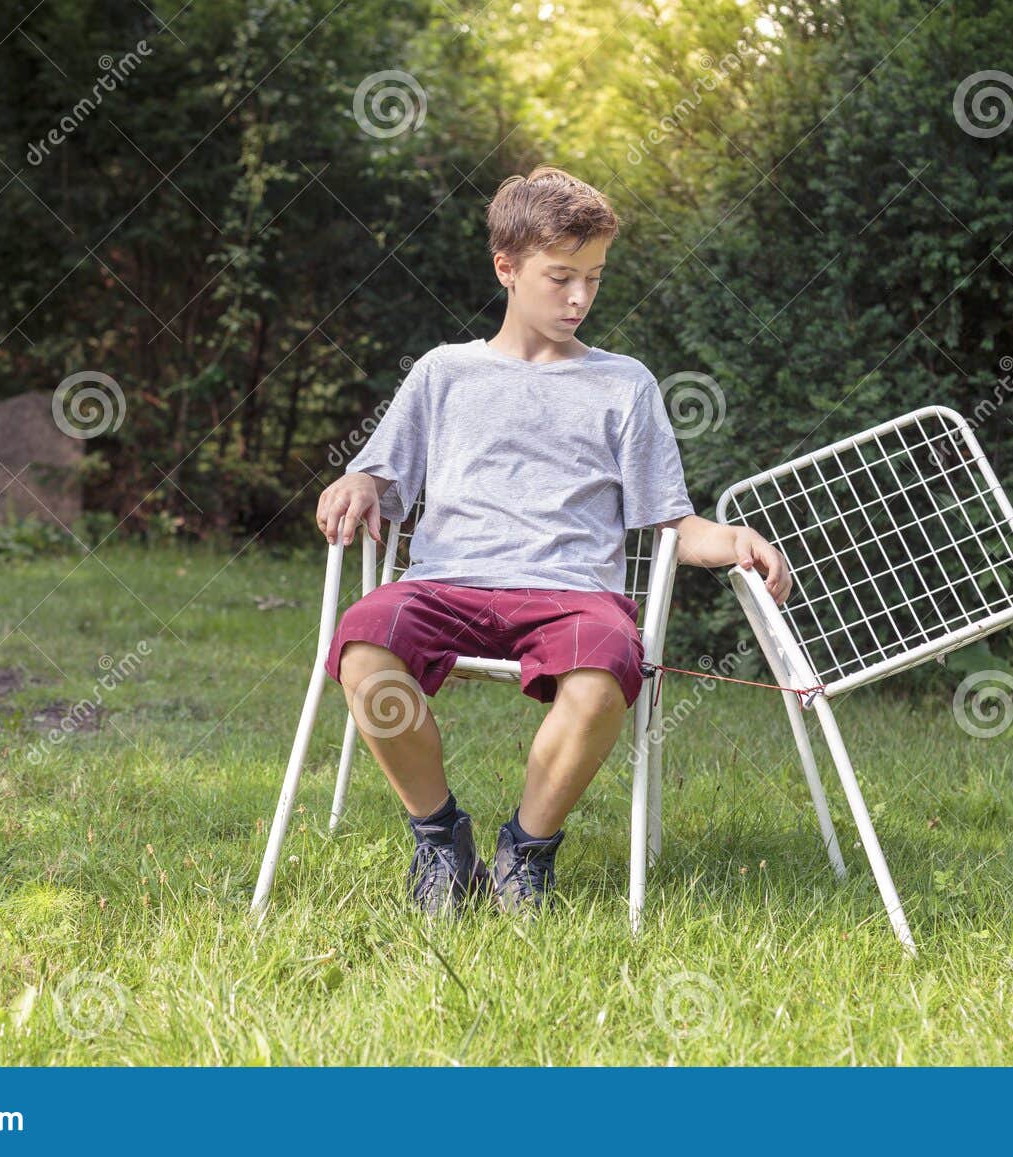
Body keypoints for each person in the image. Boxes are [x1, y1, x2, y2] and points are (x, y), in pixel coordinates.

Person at [315, 164, 792, 918]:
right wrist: (359, 481)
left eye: (594, 279)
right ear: (506, 267)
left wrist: (732, 538)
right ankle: (441, 837)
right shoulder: (445, 372)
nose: (579, 299)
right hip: (448, 583)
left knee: (607, 670)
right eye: (561, 277)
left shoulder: (624, 383)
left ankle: (526, 850)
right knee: (365, 646)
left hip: (572, 594)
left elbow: (672, 520)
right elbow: (381, 476)